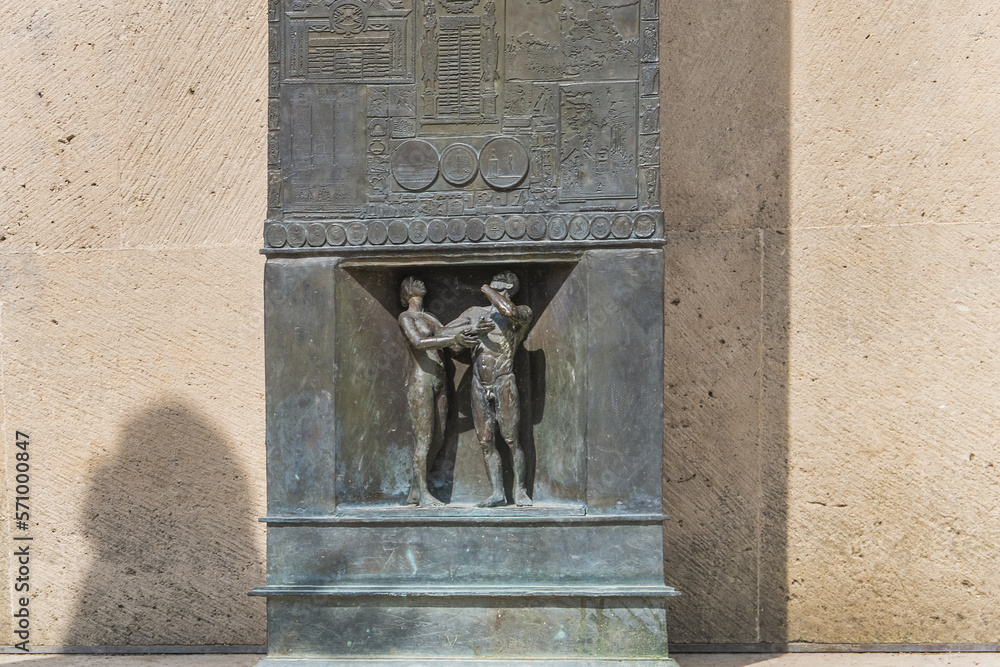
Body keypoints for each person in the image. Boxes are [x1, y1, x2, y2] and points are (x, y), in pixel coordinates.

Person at [447, 271, 533, 507]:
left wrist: (486, 287)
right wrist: (469, 335)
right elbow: (446, 337)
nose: (494, 281)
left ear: (508, 287)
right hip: (479, 382)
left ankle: (521, 490)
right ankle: (497, 492)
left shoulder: (522, 311)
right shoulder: (474, 313)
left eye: (499, 280)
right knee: (486, 442)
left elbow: (509, 312)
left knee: (511, 439)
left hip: (503, 379)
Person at [398, 277, 485, 507]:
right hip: (422, 380)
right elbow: (418, 343)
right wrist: (452, 337)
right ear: (407, 290)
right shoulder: (406, 317)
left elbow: (449, 338)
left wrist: (471, 330)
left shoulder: (430, 317)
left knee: (438, 437)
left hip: (440, 380)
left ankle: (415, 491)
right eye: (414, 281)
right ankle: (424, 494)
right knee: (424, 439)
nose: (420, 281)